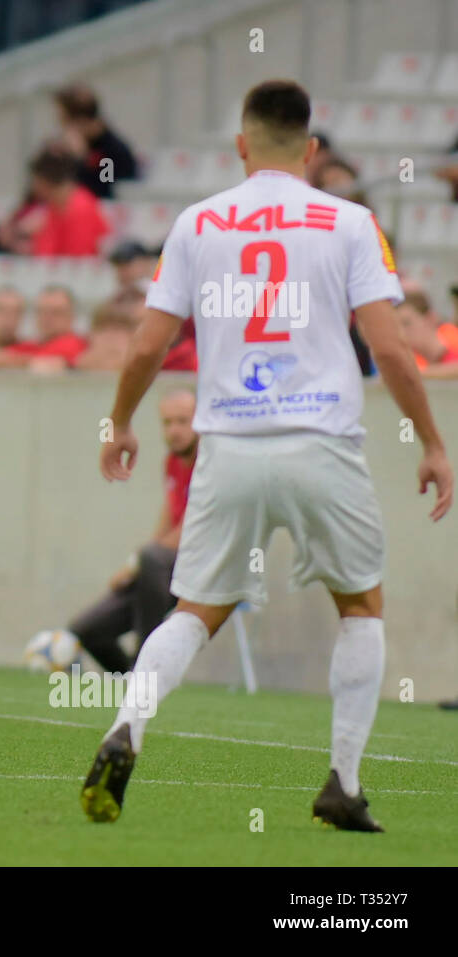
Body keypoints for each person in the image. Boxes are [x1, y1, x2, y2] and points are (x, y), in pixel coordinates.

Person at [82, 79, 453, 831]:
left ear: (242, 146)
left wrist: (118, 421)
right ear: (312, 150)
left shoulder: (197, 221)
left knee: (195, 610)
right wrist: (435, 442)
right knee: (360, 607)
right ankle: (342, 783)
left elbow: (149, 342)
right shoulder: (352, 222)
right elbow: (390, 347)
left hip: (231, 444)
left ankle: (126, 728)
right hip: (322, 441)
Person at [67, 391, 196, 672]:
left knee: (150, 559)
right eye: (167, 423)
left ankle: (146, 660)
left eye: (183, 421)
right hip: (170, 568)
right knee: (87, 630)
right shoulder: (172, 463)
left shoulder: (211, 462)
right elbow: (167, 525)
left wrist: (137, 564)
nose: (174, 431)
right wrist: (135, 566)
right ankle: (136, 685)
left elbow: (190, 528)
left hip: (205, 565)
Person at [53, 82, 141, 199]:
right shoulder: (82, 146)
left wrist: (81, 159)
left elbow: (104, 193)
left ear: (80, 121)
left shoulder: (112, 151)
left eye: (64, 121)